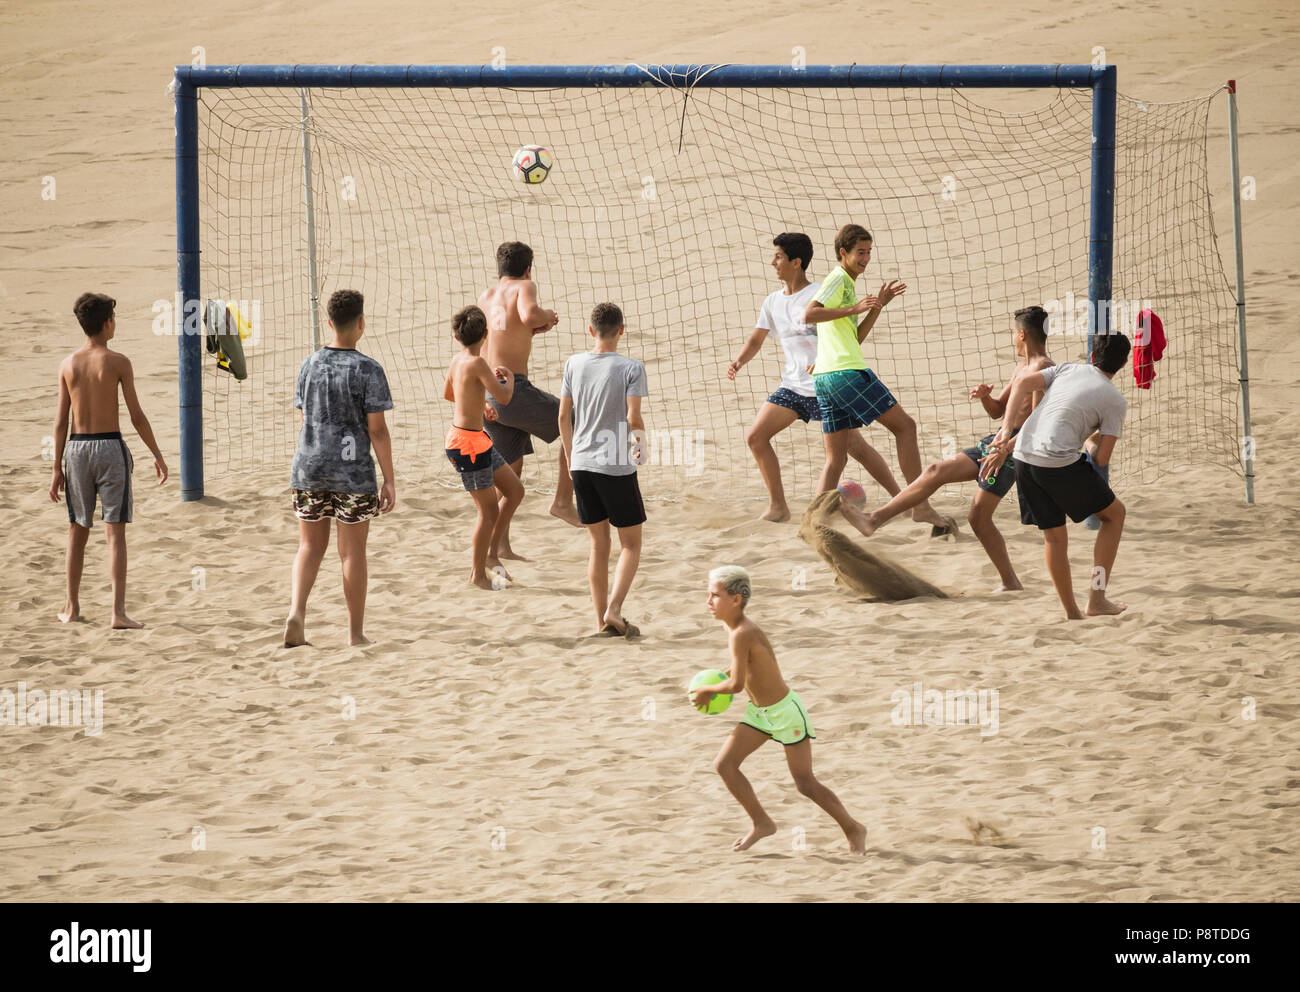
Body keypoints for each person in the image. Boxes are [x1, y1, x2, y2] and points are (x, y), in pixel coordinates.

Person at [838, 305, 1056, 591]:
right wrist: (985, 398)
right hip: (996, 441)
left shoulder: (1043, 368)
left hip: (1012, 452)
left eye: (1013, 334)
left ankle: (1011, 582)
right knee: (935, 470)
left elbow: (1037, 421)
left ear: (1022, 334)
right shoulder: (1021, 367)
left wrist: (1005, 448)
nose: (1012, 339)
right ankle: (874, 519)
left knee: (978, 518)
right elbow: (998, 411)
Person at [727, 232, 909, 523]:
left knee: (857, 448)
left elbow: (846, 338)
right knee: (756, 437)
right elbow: (756, 340)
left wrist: (822, 361)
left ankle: (903, 501)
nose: (773, 262)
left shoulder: (820, 294)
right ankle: (778, 507)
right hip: (793, 387)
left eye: (778, 257)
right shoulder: (772, 302)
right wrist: (739, 360)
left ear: (796, 262)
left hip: (825, 384)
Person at [693, 566, 868, 853]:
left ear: (736, 600)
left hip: (785, 714)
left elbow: (736, 686)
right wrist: (720, 677)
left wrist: (708, 690)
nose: (708, 601)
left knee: (805, 783)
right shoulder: (733, 627)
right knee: (724, 765)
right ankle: (762, 823)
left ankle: (853, 828)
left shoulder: (743, 632)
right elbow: (745, 667)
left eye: (714, 595)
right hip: (759, 714)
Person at [803, 223, 952, 531]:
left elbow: (853, 337)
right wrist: (854, 306)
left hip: (826, 378)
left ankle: (813, 522)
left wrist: (876, 308)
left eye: (869, 252)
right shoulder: (838, 278)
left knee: (836, 460)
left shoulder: (847, 284)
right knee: (906, 427)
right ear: (843, 253)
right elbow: (809, 314)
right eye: (860, 252)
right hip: (847, 373)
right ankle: (920, 506)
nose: (866, 258)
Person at [980, 333, 1132, 619]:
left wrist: (1005, 431)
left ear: (1091, 356)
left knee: (1054, 537)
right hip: (1057, 464)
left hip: (1023, 456)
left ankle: (1071, 612)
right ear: (1123, 364)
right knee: (1114, 516)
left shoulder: (1068, 369)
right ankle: (1097, 599)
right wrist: (1090, 440)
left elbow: (1024, 383)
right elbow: (1102, 459)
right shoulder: (1115, 401)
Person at [49, 292, 168, 627]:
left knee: (77, 529)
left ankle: (71, 608)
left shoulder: (68, 364)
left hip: (76, 449)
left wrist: (55, 466)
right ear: (107, 323)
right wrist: (156, 454)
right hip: (110, 448)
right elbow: (136, 416)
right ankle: (117, 612)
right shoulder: (118, 362)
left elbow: (61, 421)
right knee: (114, 533)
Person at [283, 289, 396, 647]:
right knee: (352, 553)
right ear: (361, 324)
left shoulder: (309, 364)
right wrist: (389, 479)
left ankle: (297, 613)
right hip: (353, 473)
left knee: (308, 548)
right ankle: (355, 633)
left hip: (309, 466)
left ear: (329, 322)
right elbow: (376, 429)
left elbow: (303, 416)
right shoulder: (368, 369)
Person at [478, 241, 581, 560]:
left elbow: (496, 336)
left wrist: (534, 329)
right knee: (574, 419)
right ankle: (563, 500)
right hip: (514, 390)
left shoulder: (486, 297)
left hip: (488, 394)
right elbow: (528, 313)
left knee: (510, 476)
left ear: (498, 270)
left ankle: (499, 546)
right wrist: (547, 315)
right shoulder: (525, 286)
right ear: (526, 270)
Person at [558, 303, 647, 636]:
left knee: (598, 545)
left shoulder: (574, 363)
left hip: (580, 463)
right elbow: (633, 417)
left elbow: (563, 417)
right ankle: (614, 608)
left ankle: (600, 622)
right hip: (615, 465)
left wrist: (570, 459)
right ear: (621, 330)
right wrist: (641, 445)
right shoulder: (631, 367)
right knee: (631, 545)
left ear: (590, 330)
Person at [443, 304, 525, 589]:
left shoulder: (457, 361)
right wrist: (511, 380)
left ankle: (492, 555)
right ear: (486, 335)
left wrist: (481, 404)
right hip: (467, 445)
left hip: (475, 439)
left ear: (456, 336)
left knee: (515, 491)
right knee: (488, 512)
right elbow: (504, 397)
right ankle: (477, 573)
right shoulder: (478, 364)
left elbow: (450, 394)